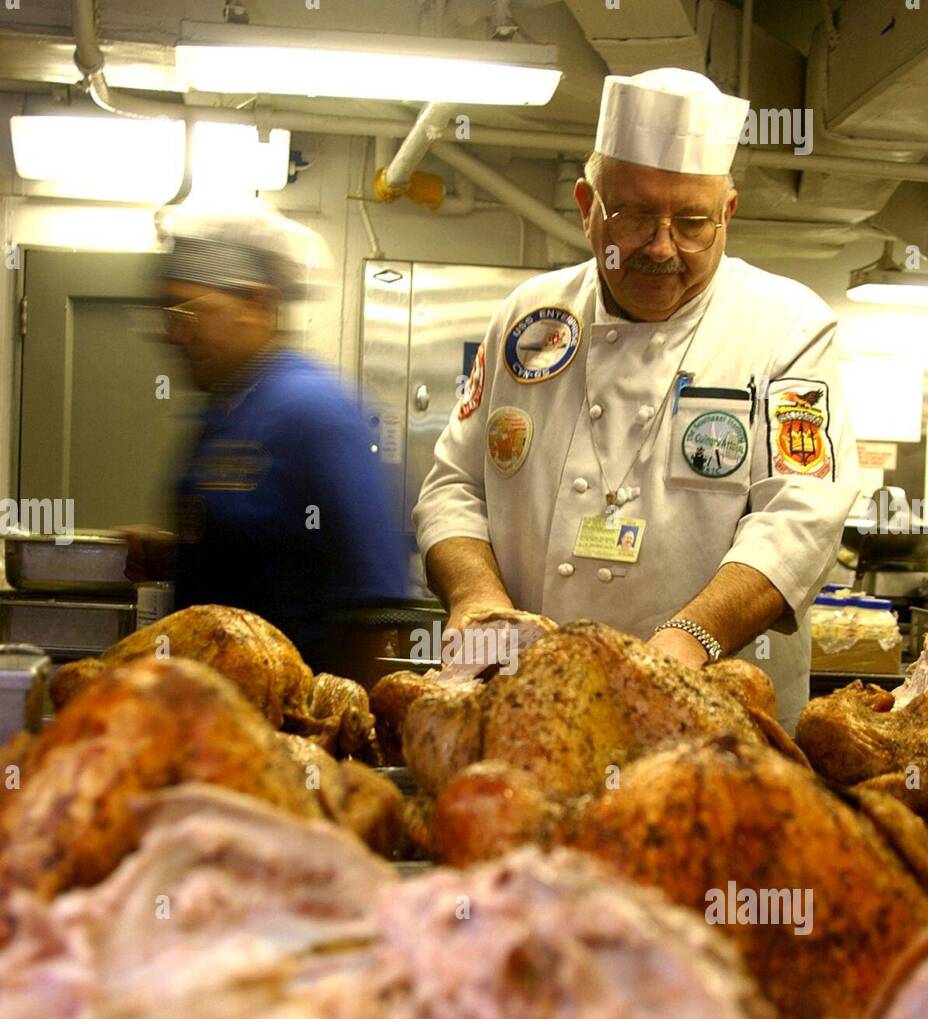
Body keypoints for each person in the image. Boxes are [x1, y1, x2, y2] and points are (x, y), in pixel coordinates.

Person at [413, 68, 859, 731]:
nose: (660, 247)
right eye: (633, 214)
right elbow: (454, 485)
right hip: (533, 708)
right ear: (586, 204)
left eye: (692, 221)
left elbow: (800, 520)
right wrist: (477, 596)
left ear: (727, 213)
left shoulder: (786, 326)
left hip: (715, 723)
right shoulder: (528, 316)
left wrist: (690, 642)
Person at [125, 200, 407, 672]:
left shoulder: (314, 411)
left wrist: (350, 734)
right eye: (167, 317)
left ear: (259, 305)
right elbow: (269, 550)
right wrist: (181, 553)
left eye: (188, 314)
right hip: (211, 716)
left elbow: (374, 604)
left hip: (288, 724)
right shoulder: (223, 408)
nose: (173, 335)